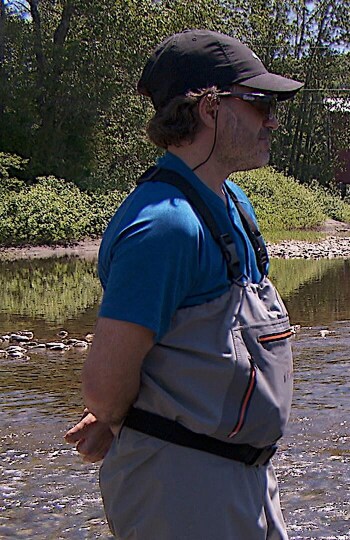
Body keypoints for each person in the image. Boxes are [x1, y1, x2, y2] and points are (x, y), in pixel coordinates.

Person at [63, 29, 303, 539]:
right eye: (259, 103)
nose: (273, 120)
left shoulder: (232, 201)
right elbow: (103, 389)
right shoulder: (164, 226)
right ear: (210, 108)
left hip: (245, 478)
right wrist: (115, 415)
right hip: (182, 488)